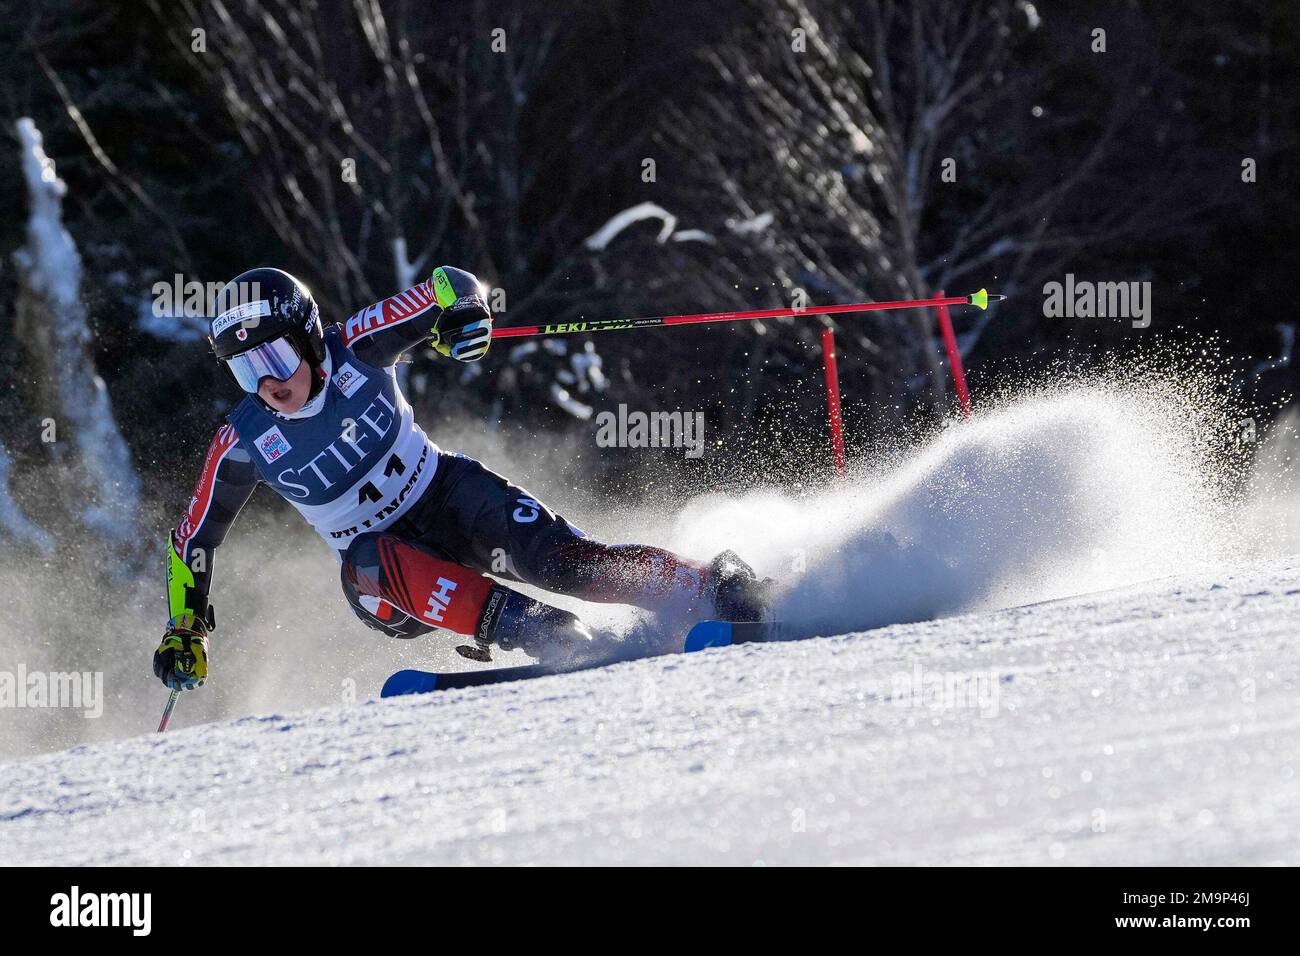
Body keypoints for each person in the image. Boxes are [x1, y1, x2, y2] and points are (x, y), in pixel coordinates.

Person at [154, 266, 768, 691]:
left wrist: (464, 317)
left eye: (275, 358)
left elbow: (450, 287)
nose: (268, 383)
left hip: (446, 493)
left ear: (310, 339)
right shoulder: (243, 440)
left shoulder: (359, 345)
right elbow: (192, 540)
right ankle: (548, 634)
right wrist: (186, 628)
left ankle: (712, 588)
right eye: (245, 369)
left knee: (567, 562)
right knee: (367, 561)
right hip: (390, 577)